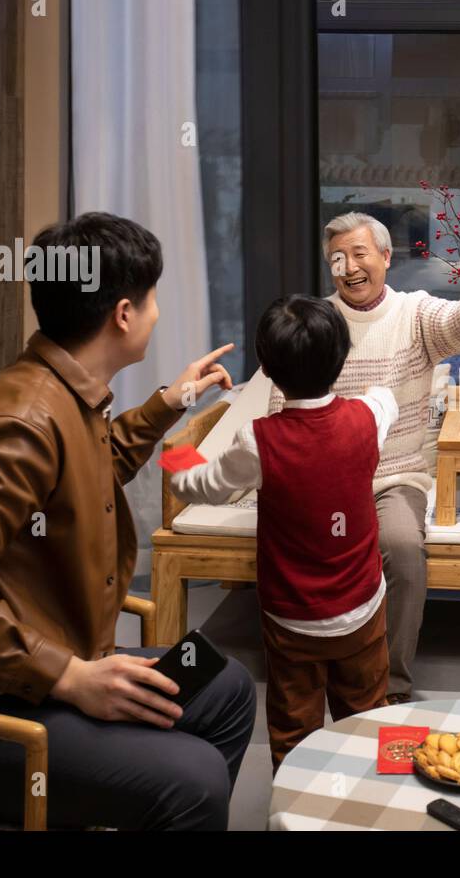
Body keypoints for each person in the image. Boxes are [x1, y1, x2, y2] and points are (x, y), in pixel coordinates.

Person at [0, 212, 257, 830]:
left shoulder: (63, 394)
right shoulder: (23, 423)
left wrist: (169, 402)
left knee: (226, 685)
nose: (157, 313)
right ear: (124, 314)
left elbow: (90, 474)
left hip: (24, 674)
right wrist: (69, 675)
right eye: (153, 298)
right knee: (196, 778)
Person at [266, 212, 460, 705]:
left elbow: (457, 324)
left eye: (360, 254)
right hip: (323, 482)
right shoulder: (313, 322)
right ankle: (319, 675)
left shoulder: (414, 313)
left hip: (393, 478)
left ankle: (391, 688)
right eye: (337, 258)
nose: (349, 267)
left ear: (385, 257)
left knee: (403, 549)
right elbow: (283, 404)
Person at [170, 295, 398, 768]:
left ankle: (295, 800)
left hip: (292, 617)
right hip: (362, 606)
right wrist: (369, 386)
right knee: (367, 718)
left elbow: (204, 486)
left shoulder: (258, 439)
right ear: (341, 358)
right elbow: (386, 397)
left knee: (294, 728)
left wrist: (176, 460)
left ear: (267, 370)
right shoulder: (370, 415)